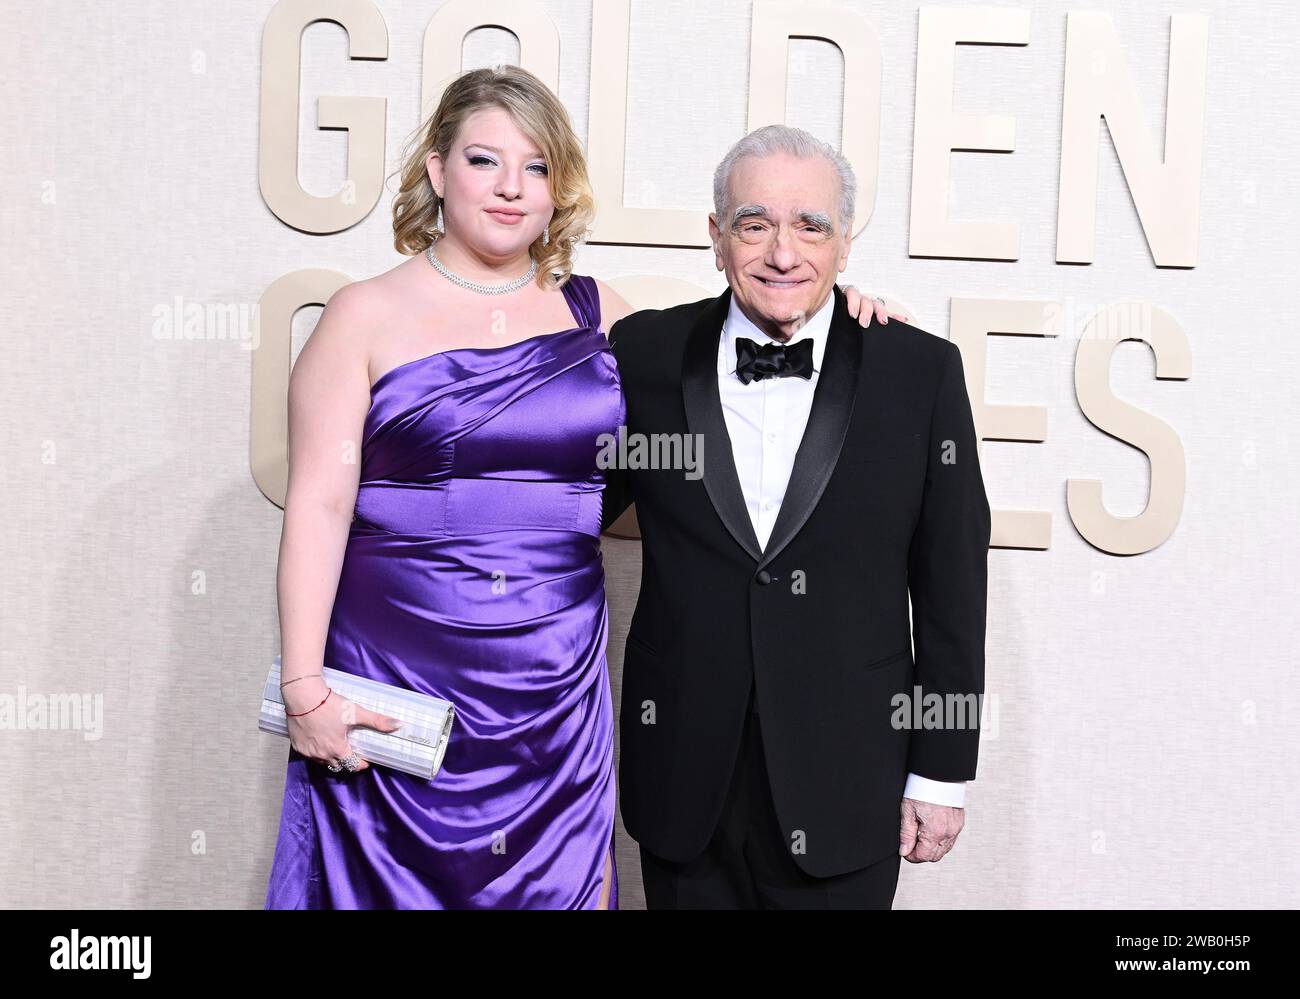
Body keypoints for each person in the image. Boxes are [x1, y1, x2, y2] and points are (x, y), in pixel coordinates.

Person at [263, 66, 895, 909]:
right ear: (436, 171)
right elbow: (319, 504)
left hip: (553, 688)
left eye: (537, 166)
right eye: (485, 161)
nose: (511, 188)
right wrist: (305, 685)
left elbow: (732, 372)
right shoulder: (362, 315)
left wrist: (829, 310)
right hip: (398, 667)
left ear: (559, 187)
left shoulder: (602, 319)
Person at [602, 124, 992, 909]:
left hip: (850, 780)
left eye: (811, 225)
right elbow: (568, 509)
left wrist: (941, 772)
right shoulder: (641, 352)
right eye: (755, 224)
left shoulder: (918, 371)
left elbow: (952, 581)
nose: (784, 252)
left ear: (845, 242)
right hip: (682, 778)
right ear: (716, 238)